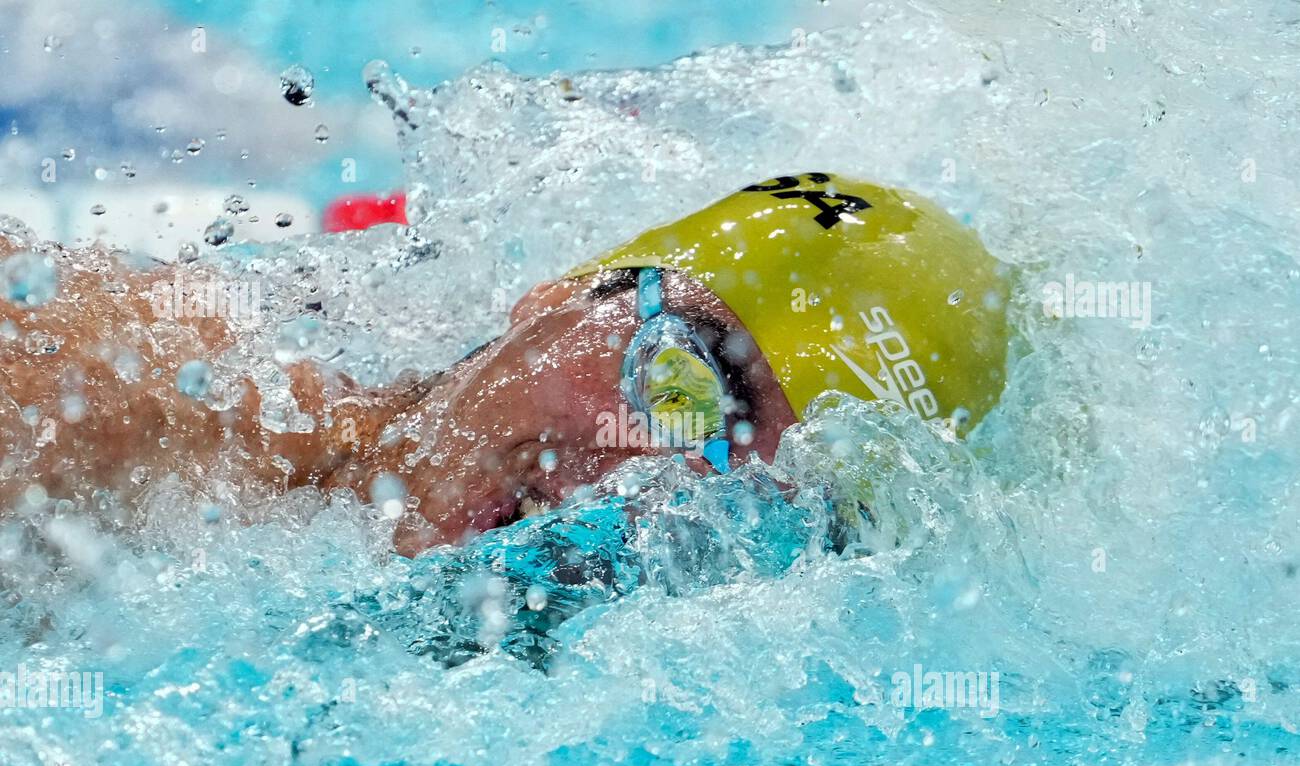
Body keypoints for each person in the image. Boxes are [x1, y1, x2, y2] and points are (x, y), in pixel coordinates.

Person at [0, 173, 1009, 556]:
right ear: (564, 294)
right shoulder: (112, 397)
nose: (634, 484)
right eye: (676, 383)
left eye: (751, 500)